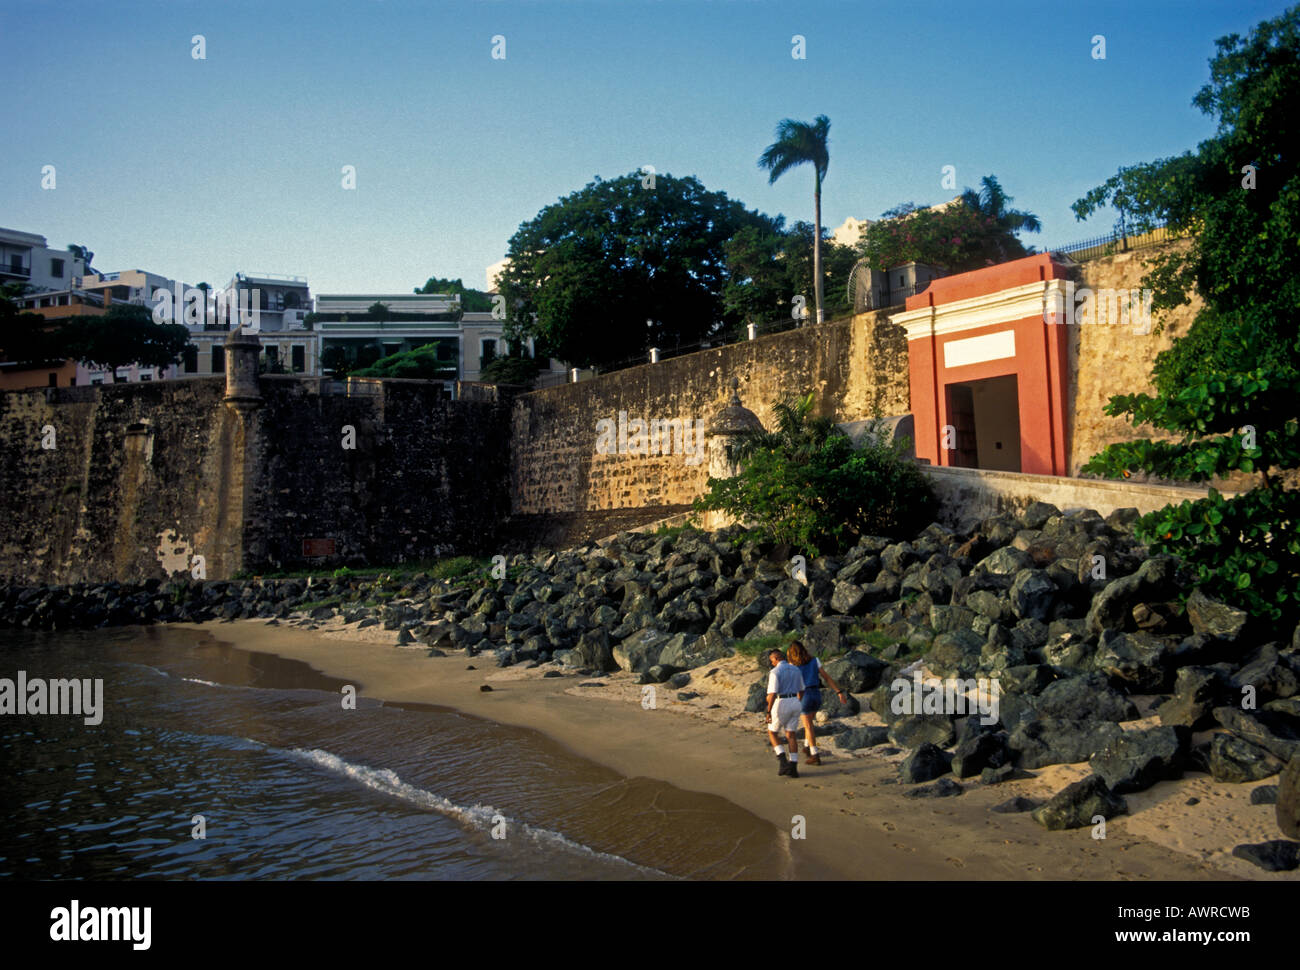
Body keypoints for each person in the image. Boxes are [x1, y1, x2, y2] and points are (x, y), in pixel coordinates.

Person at [787, 640, 846, 766]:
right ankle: (807, 746)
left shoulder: (792, 666)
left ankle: (815, 755)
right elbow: (826, 677)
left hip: (804, 695)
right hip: (817, 694)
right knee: (810, 722)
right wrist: (838, 691)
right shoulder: (815, 660)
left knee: (808, 726)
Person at [764, 647, 805, 778]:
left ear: (775, 659)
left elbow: (772, 694)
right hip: (795, 701)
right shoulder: (796, 669)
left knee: (772, 732)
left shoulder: (775, 672)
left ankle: (783, 762)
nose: (772, 663)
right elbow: (802, 689)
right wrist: (798, 701)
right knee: (791, 734)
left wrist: (768, 711)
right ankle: (793, 766)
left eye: (772, 660)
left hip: (782, 702)